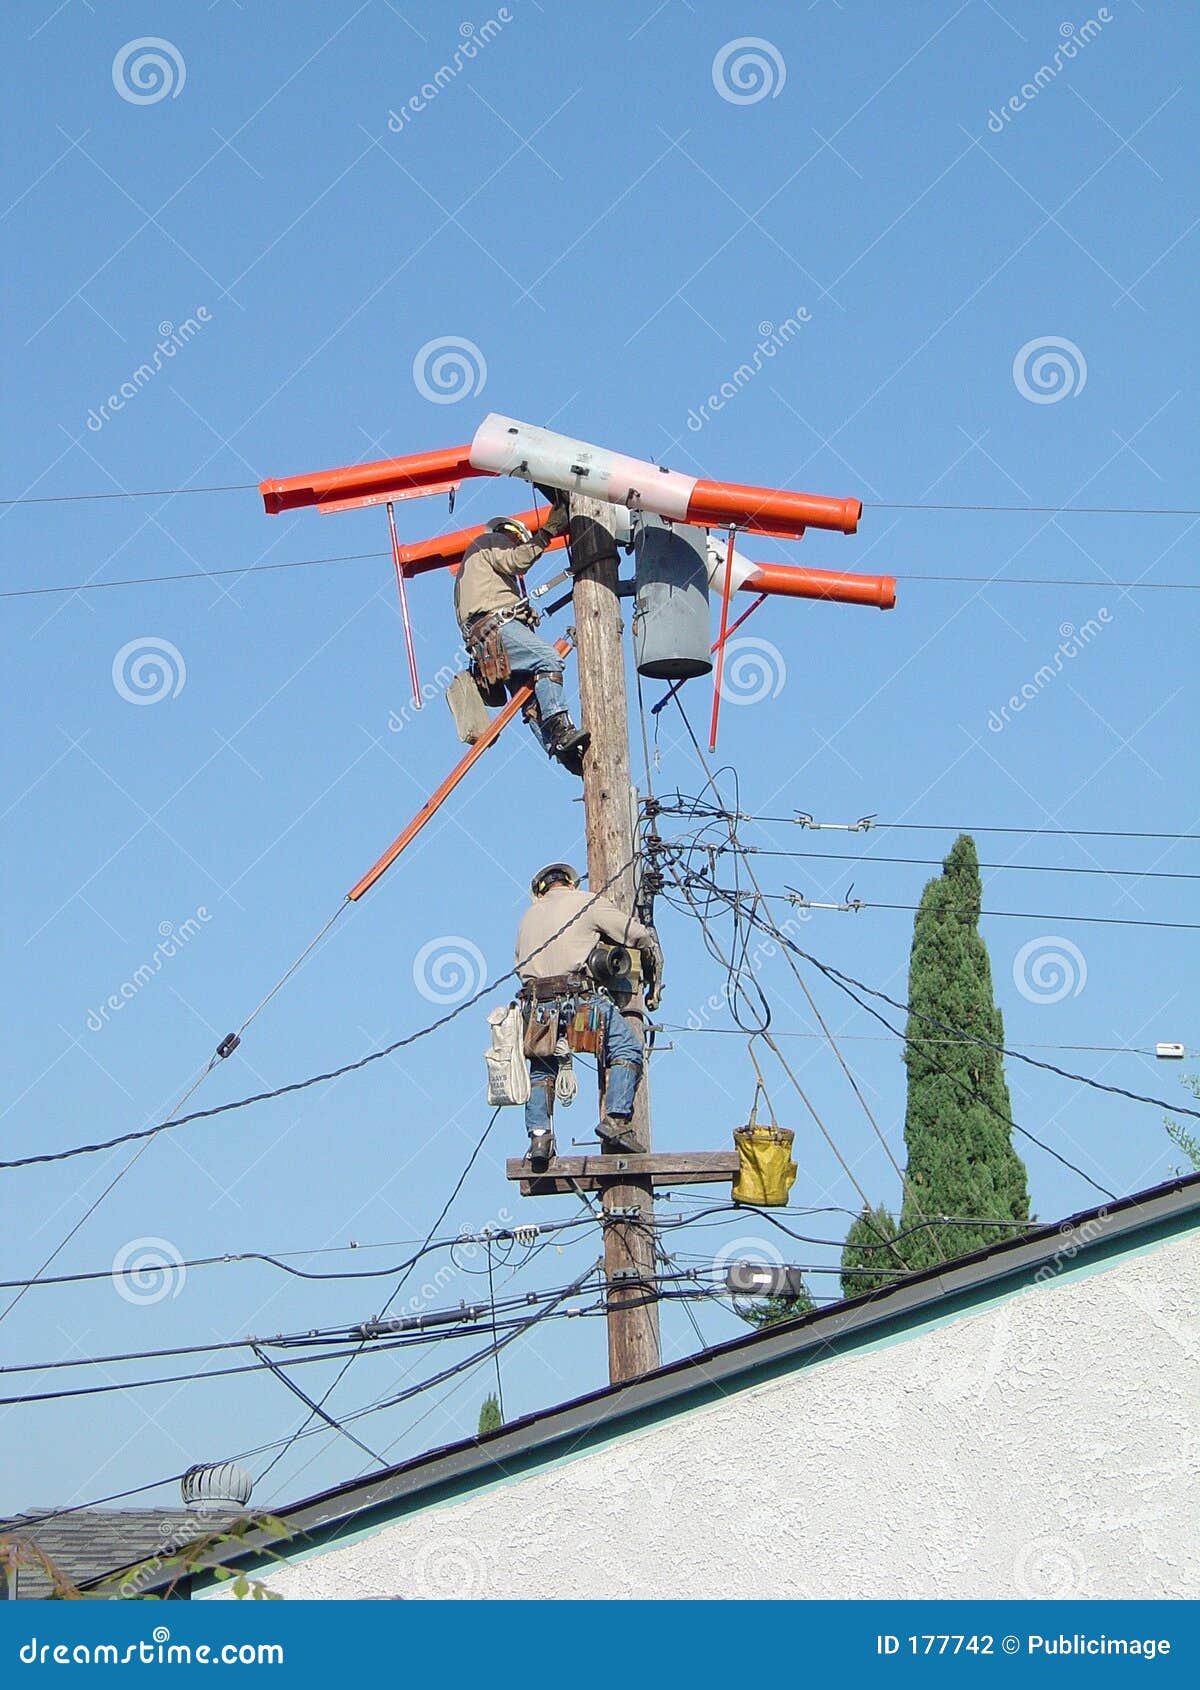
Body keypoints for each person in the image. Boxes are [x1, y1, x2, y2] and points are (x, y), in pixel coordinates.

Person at [515, 862, 664, 1162]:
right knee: (626, 1049)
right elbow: (636, 935)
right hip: (578, 1002)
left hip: (538, 1008)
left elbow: (521, 964)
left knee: (543, 1070)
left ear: (542, 890)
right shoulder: (587, 903)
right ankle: (616, 1121)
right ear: (571, 883)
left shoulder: (528, 917)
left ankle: (540, 1138)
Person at [454, 507, 589, 774]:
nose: (518, 543)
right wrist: (546, 533)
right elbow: (517, 561)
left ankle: (563, 754)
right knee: (548, 659)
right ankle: (559, 730)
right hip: (497, 628)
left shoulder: (478, 576)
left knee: (529, 698)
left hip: (487, 640)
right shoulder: (490, 543)